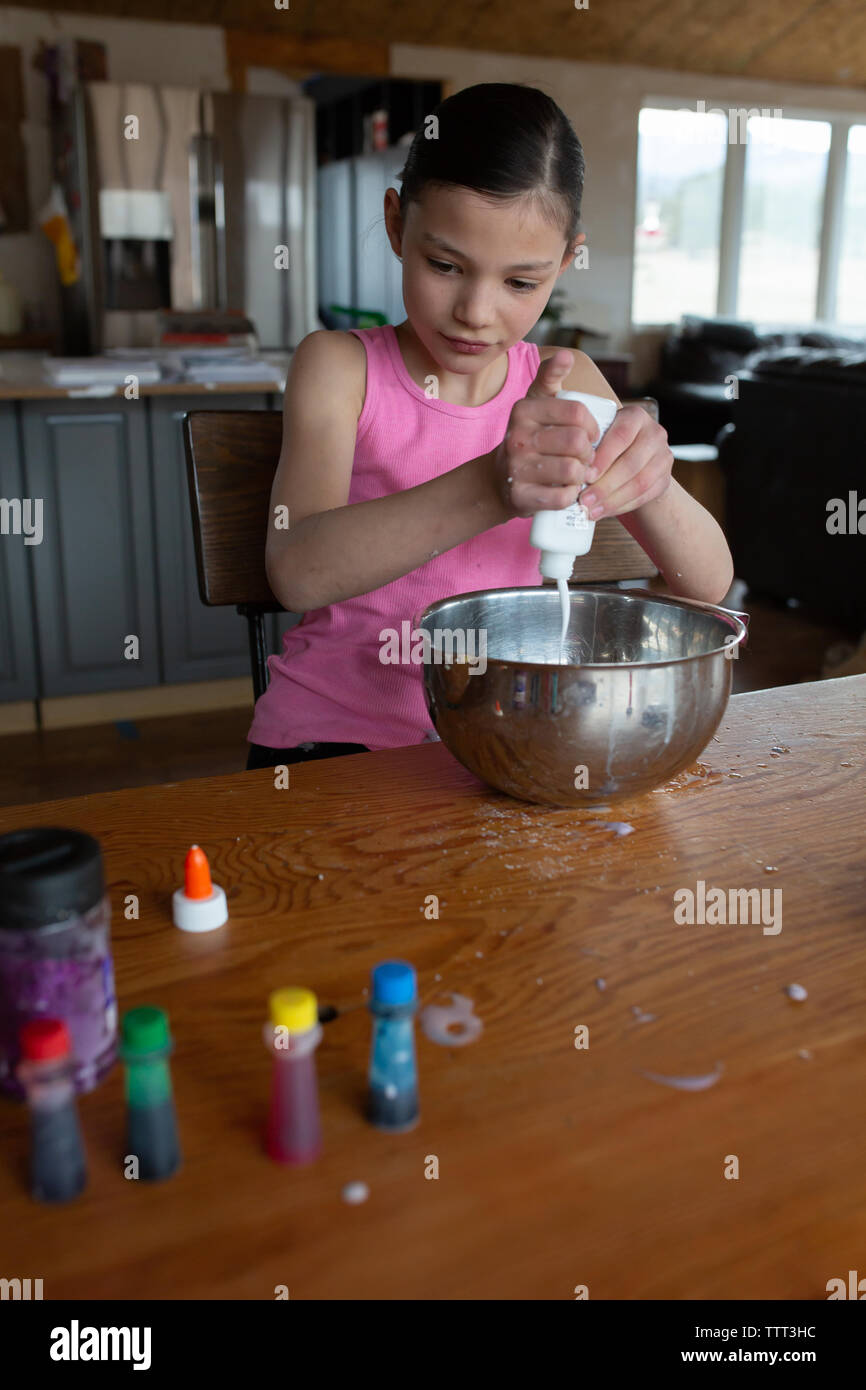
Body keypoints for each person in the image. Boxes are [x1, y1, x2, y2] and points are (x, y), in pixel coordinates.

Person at [246, 83, 733, 772]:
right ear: (395, 226)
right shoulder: (339, 367)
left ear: (565, 264)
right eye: (445, 266)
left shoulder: (572, 383)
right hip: (336, 739)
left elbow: (708, 584)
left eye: (520, 283)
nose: (475, 311)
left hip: (501, 740)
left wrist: (652, 484)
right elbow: (295, 570)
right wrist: (491, 485)